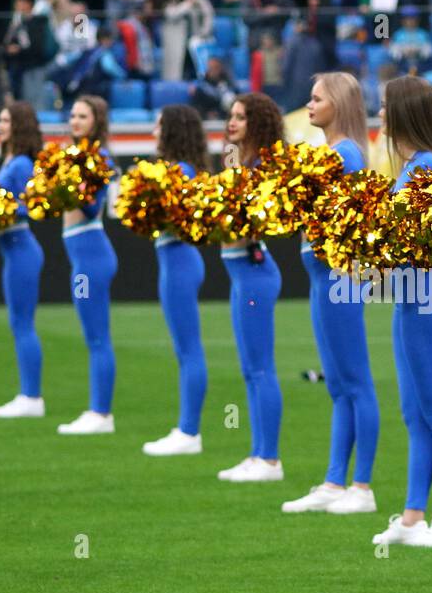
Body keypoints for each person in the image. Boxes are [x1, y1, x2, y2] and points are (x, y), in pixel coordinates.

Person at [369, 76, 432, 541]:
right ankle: (412, 515)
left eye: (387, 106)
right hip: (410, 294)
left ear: (406, 111)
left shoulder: (426, 164)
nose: (381, 114)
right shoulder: (412, 165)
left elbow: (425, 238)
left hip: (425, 293)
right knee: (414, 410)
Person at [281, 74, 380, 515]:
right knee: (339, 384)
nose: (310, 102)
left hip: (338, 278)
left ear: (338, 103)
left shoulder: (346, 155)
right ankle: (335, 480)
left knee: (355, 381)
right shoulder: (333, 153)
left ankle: (362, 485)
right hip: (325, 278)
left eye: (317, 97)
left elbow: (348, 227)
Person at [216, 93, 285, 481]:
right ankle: (258, 452)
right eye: (231, 116)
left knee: (260, 368)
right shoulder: (238, 161)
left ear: (257, 123)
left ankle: (270, 458)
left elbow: (256, 220)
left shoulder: (261, 167)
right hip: (241, 273)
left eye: (241, 117)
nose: (232, 122)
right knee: (249, 368)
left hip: (254, 272)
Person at [142, 105, 211, 456]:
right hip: (175, 260)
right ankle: (186, 429)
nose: (154, 133)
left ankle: (189, 432)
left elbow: (178, 218)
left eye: (158, 127)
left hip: (179, 260)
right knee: (184, 349)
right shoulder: (177, 169)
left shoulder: (179, 171)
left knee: (188, 349)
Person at [58, 95, 120, 434]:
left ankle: (101, 413)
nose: (75, 121)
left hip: (90, 256)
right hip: (81, 254)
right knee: (91, 335)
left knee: (97, 336)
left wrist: (68, 186)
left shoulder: (99, 157)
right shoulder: (76, 156)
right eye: (73, 115)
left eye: (83, 116)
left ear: (97, 121)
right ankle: (97, 410)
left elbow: (93, 208)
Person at [0, 101, 47, 419]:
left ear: (20, 125)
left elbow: (28, 206)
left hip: (22, 246)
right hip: (11, 248)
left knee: (23, 323)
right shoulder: (11, 158)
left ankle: (32, 396)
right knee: (18, 322)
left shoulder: (23, 162)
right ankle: (27, 393)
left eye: (5, 120)